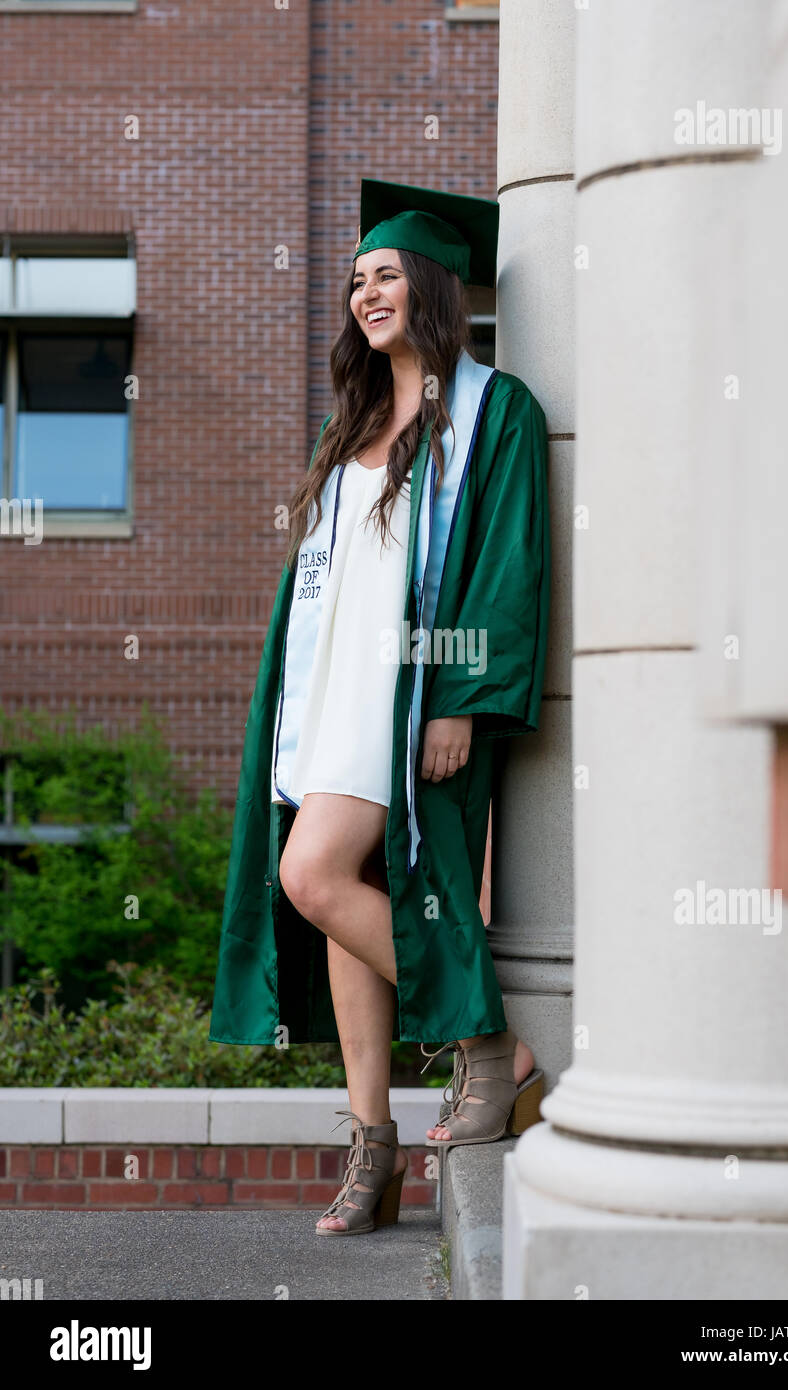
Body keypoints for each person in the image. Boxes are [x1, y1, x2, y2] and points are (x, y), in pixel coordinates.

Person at [209, 179, 552, 1236]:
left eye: (387, 273)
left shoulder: (497, 410)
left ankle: (486, 1039)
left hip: (408, 695)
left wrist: (458, 698)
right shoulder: (351, 420)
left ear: (436, 287)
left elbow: (507, 565)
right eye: (356, 279)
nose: (366, 292)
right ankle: (372, 1142)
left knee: (309, 874)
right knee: (333, 885)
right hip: (331, 694)